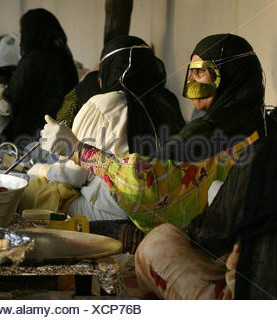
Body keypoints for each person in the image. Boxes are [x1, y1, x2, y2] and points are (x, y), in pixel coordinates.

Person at [40, 34, 277, 299]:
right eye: (190, 72)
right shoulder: (258, 126)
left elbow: (146, 183)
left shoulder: (214, 137)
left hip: (244, 288)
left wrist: (77, 150)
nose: (189, 81)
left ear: (228, 76)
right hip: (229, 255)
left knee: (157, 242)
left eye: (199, 73)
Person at [25, 36, 185, 225]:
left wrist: (37, 171)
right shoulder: (169, 101)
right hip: (172, 209)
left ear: (106, 74)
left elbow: (72, 177)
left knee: (33, 193)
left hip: (116, 213)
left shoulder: (102, 105)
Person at [0, 8, 79, 143]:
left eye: (22, 32)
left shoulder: (32, 60)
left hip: (33, 134)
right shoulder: (65, 58)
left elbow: (10, 101)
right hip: (63, 131)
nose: (21, 36)